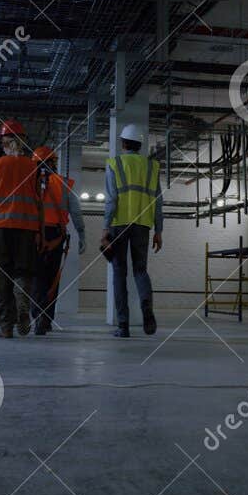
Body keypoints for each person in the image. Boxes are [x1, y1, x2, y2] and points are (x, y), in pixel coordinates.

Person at [0, 120, 44, 338]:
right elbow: (39, 203)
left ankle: (6, 327)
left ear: (4, 142)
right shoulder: (33, 167)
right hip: (26, 229)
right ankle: (22, 300)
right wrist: (40, 233)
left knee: (1, 278)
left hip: (0, 229)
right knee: (23, 273)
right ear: (22, 141)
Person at [103, 123, 162, 338]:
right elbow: (158, 201)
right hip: (143, 225)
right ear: (139, 144)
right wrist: (159, 230)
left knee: (119, 273)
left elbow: (111, 200)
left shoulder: (115, 164)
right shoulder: (151, 167)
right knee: (140, 270)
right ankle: (146, 307)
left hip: (119, 224)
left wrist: (105, 228)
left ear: (124, 143)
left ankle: (123, 326)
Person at [30, 146, 85, 336]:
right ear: (52, 162)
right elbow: (76, 212)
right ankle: (45, 320)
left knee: (37, 277)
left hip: (34, 233)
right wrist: (82, 233)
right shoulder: (63, 184)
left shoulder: (28, 183)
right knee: (52, 278)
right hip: (56, 235)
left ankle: (38, 316)